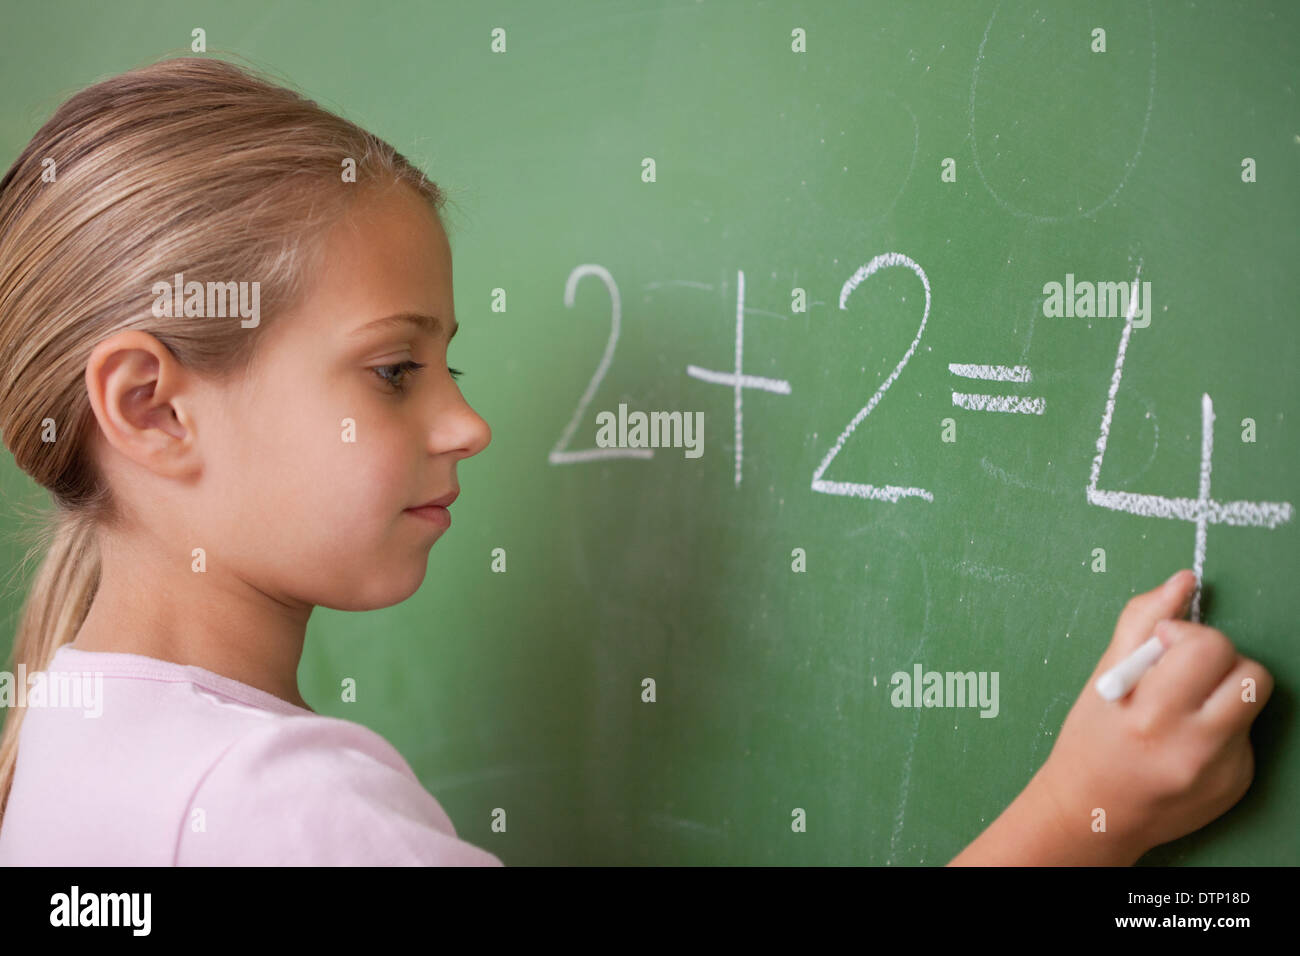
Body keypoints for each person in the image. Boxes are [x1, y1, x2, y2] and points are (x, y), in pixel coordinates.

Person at [0, 56, 499, 865]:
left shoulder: (70, 731)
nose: (468, 426)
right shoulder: (289, 807)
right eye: (395, 371)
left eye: (452, 369)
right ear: (151, 409)